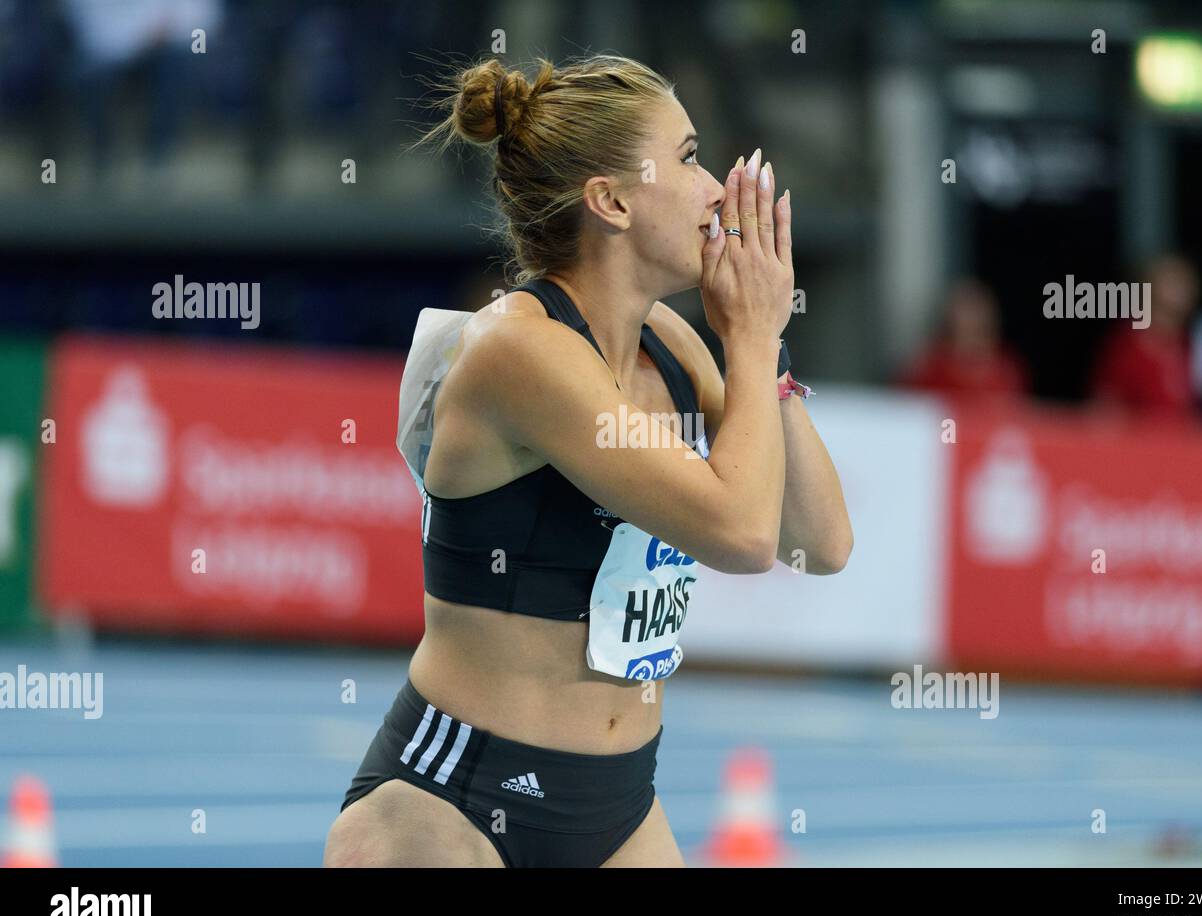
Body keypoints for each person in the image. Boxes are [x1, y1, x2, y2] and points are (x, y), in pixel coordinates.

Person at [322, 54, 853, 868]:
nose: (715, 188)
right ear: (609, 200)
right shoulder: (520, 350)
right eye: (685, 157)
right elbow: (743, 536)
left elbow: (817, 542)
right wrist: (745, 338)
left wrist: (765, 347)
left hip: (618, 812)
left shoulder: (672, 346)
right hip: (449, 806)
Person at [1089, 254, 1199, 418]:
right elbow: (1105, 412)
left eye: (1183, 283)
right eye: (1171, 283)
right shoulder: (1127, 346)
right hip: (1140, 442)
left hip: (1183, 442)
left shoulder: (1188, 347)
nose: (1178, 292)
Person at [898, 278, 1028, 400]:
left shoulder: (1006, 371)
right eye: (967, 311)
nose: (972, 319)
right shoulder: (927, 368)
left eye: (977, 311)